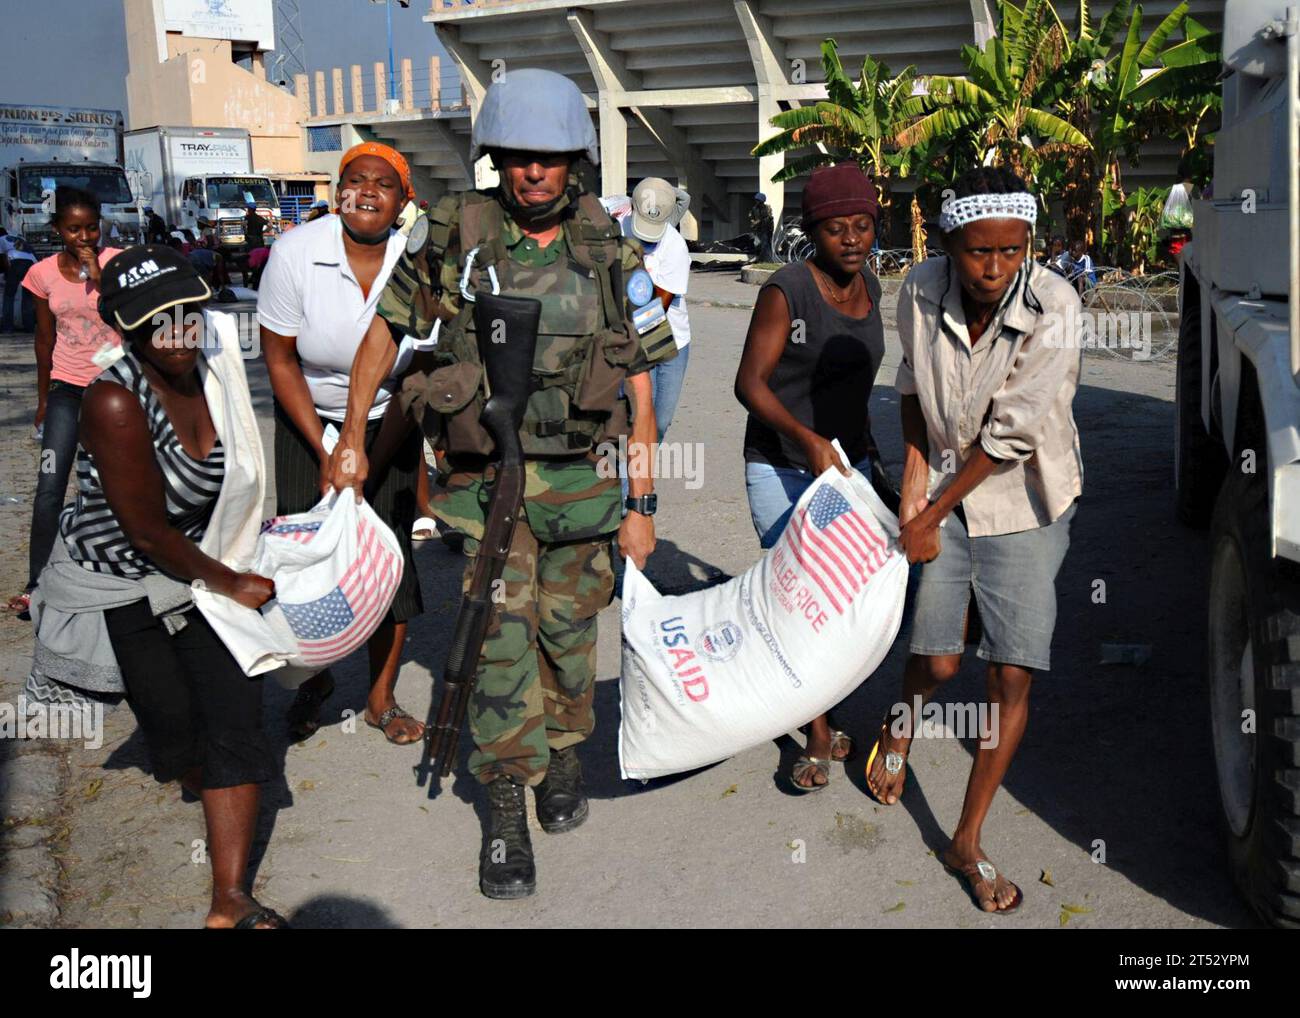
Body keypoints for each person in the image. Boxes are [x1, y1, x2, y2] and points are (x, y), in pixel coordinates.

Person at [329, 67, 676, 899]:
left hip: (586, 484)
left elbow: (640, 388)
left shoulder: (610, 247)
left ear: (575, 164)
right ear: (497, 159)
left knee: (567, 634)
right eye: (519, 157)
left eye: (550, 159)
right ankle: (504, 807)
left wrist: (643, 503)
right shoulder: (457, 232)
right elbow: (388, 331)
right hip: (489, 488)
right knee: (497, 642)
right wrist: (350, 433)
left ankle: (563, 757)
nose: (533, 173)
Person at [30, 244, 285, 928]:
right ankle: (195, 765)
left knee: (234, 714)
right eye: (155, 321)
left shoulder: (218, 371)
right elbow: (145, 532)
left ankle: (228, 897)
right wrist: (234, 581)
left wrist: (239, 573)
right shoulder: (113, 400)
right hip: (123, 579)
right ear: (125, 328)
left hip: (197, 567)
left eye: (185, 313)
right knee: (177, 737)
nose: (176, 331)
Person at [866, 165, 1083, 914]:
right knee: (938, 657)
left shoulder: (1056, 304)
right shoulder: (917, 291)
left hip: (1023, 498)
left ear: (1027, 244)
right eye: (977, 251)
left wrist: (930, 511)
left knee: (1010, 674)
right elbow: (912, 389)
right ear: (947, 243)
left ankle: (966, 838)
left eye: (1011, 251)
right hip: (949, 499)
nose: (994, 269)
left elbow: (1012, 434)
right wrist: (912, 489)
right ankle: (900, 725)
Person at [257, 141, 427, 745]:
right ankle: (313, 680)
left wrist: (367, 462)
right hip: (307, 419)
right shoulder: (295, 253)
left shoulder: (417, 262)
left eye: (385, 183)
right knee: (308, 561)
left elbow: (418, 380)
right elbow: (278, 359)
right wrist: (328, 452)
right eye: (356, 180)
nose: (368, 192)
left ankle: (380, 699)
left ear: (404, 201)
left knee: (388, 559)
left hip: (392, 420)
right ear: (337, 192)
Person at [734, 162, 893, 791]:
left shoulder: (874, 289)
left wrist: (867, 457)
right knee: (801, 602)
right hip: (780, 464)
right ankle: (817, 735)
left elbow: (859, 387)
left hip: (847, 471)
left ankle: (819, 707)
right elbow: (748, 383)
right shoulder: (786, 291)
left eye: (862, 225)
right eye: (835, 229)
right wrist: (807, 439)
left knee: (846, 605)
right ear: (813, 231)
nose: (851, 239)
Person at [6, 188, 123, 618]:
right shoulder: (40, 274)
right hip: (65, 390)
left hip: (114, 390)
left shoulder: (115, 263)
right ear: (58, 229)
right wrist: (43, 399)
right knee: (50, 485)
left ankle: (115, 574)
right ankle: (38, 584)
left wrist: (101, 277)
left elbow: (129, 321)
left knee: (114, 484)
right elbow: (44, 338)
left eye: (91, 227)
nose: (84, 236)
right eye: (74, 229)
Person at [604, 176, 692, 442]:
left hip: (668, 339)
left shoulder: (675, 245)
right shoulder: (615, 224)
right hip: (627, 337)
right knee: (635, 419)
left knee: (660, 421)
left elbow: (658, 306)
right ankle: (628, 482)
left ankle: (644, 471)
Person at [1, 229, 38, 333]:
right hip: (31, 264)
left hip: (15, 263)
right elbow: (33, 254)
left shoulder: (1, 239)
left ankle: (7, 328)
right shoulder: (21, 239)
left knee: (9, 297)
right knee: (27, 298)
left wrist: (7, 272)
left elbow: (3, 257)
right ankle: (29, 327)